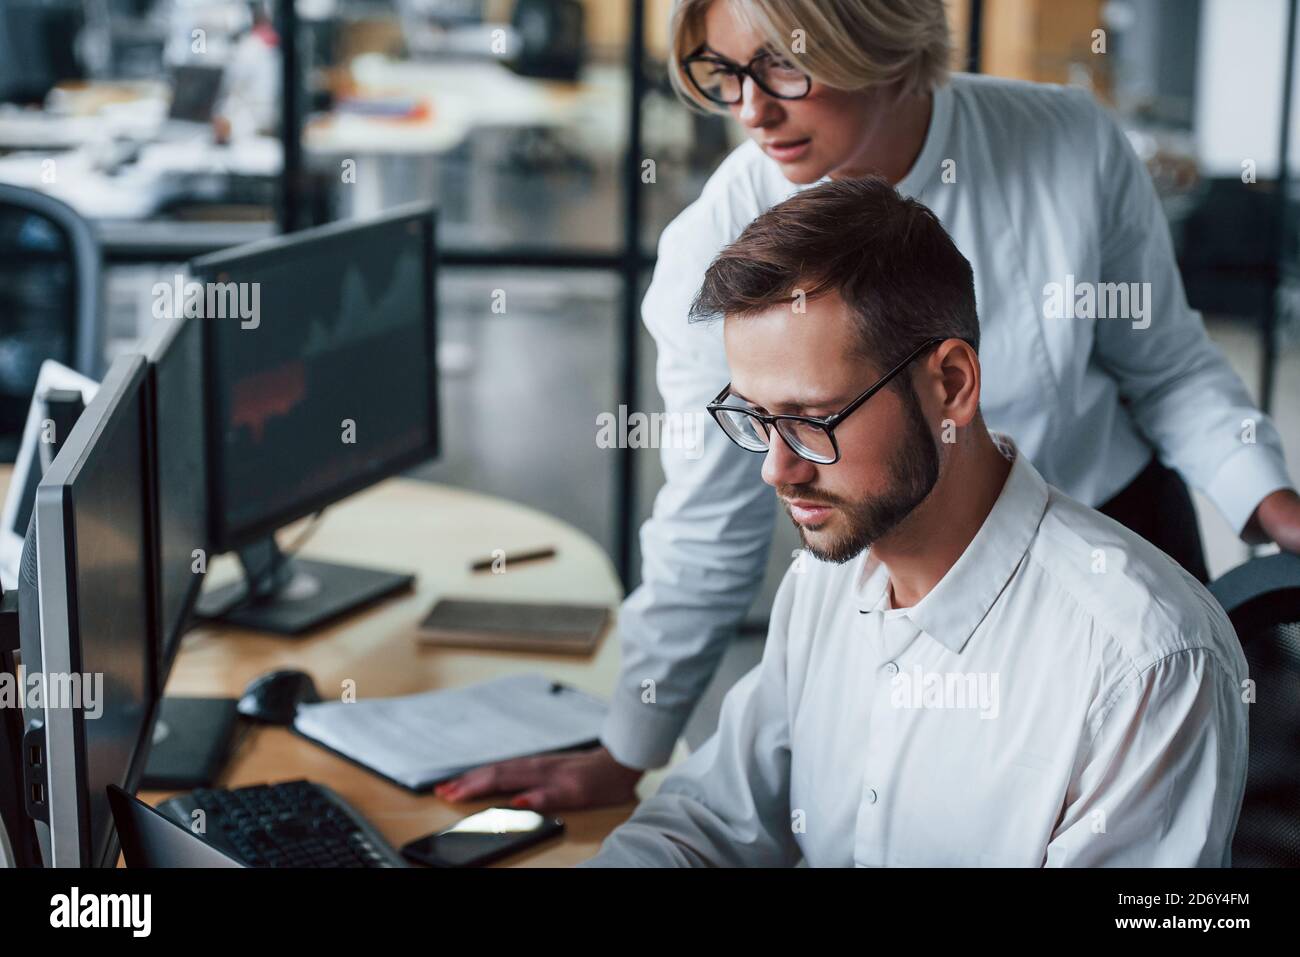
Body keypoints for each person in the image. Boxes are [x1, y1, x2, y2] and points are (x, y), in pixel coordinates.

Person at [435, 0, 1296, 812]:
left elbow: (1168, 364)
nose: (750, 111)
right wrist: (629, 749)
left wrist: (1273, 502)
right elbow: (710, 520)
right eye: (724, 72)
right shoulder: (717, 242)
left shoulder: (1068, 142)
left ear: (882, 40)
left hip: (1118, 532)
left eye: (781, 67)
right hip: (920, 579)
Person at [585, 178, 1249, 866]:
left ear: (952, 385)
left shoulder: (1146, 660)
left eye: (812, 420)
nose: (776, 470)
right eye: (755, 418)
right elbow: (714, 817)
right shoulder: (824, 581)